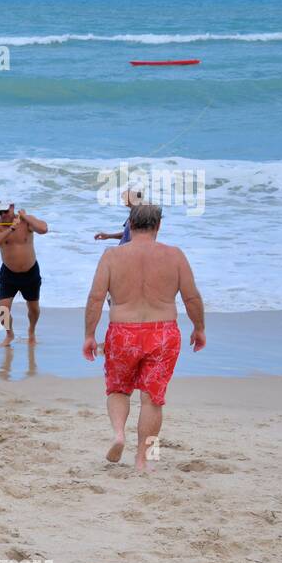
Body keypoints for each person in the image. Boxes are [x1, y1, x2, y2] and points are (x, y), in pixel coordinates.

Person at [83, 200, 206, 471]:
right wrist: (199, 328)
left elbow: (95, 298)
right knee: (152, 398)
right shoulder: (175, 255)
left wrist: (90, 334)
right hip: (162, 333)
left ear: (130, 224)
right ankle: (143, 460)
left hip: (122, 332)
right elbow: (191, 297)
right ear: (158, 226)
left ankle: (118, 434)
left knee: (118, 389)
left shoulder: (111, 257)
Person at [0, 199, 49, 346]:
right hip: (9, 273)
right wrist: (10, 229)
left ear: (12, 208)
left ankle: (31, 331)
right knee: (2, 310)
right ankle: (10, 334)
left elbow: (44, 229)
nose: (3, 215)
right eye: (0, 212)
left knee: (34, 309)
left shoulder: (26, 221)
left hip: (30, 272)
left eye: (5, 211)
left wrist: (26, 217)